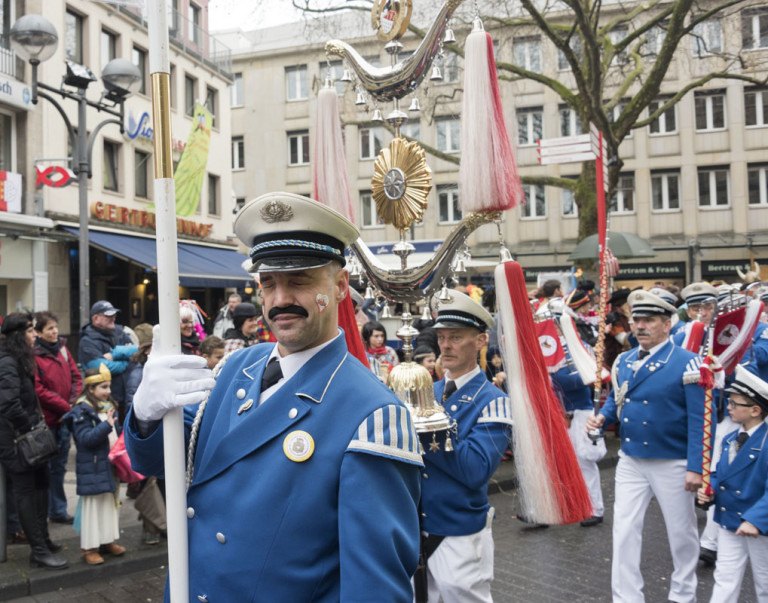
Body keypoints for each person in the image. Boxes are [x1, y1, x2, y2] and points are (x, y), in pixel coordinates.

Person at [125, 191, 422, 601]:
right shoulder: (233, 368)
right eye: (268, 283)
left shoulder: (372, 415)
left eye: (298, 280)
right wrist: (146, 412)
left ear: (339, 286)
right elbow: (158, 462)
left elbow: (374, 589)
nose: (280, 299)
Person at [586, 290, 706, 603]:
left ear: (667, 325)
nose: (640, 326)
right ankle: (626, 597)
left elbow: (700, 420)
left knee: (681, 534)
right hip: (631, 457)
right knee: (624, 531)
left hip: (673, 459)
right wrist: (602, 418)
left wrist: (697, 467)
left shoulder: (688, 362)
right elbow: (618, 397)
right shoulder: (624, 360)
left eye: (649, 320)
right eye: (637, 319)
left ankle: (683, 594)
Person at [416, 290, 512, 603]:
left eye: (456, 337)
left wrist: (427, 424)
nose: (445, 345)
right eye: (441, 337)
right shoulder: (429, 389)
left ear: (481, 340)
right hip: (417, 526)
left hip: (459, 531)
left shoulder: (494, 401)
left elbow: (474, 470)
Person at [0, 313, 68, 570]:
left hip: (27, 436)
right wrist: (28, 426)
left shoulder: (20, 359)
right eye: (30, 331)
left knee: (42, 485)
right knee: (27, 492)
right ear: (18, 335)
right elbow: (8, 403)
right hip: (16, 440)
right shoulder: (7, 361)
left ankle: (44, 541)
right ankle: (38, 551)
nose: (34, 335)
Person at [697, 366, 768, 602]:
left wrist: (755, 519)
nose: (728, 407)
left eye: (735, 404)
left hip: (759, 526)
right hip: (729, 519)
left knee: (765, 583)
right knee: (724, 578)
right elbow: (720, 473)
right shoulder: (730, 438)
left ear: (756, 410)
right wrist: (711, 489)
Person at [66, 365, 126, 565]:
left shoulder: (108, 406)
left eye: (109, 386)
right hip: (92, 466)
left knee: (109, 505)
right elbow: (85, 440)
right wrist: (106, 425)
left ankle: (107, 541)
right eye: (103, 387)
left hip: (109, 464)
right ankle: (89, 547)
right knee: (93, 508)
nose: (108, 391)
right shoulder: (81, 410)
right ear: (91, 389)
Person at [33, 311, 82, 525]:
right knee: (47, 468)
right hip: (49, 420)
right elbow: (39, 389)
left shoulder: (63, 349)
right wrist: (65, 406)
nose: (54, 332)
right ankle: (47, 511)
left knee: (60, 466)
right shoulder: (34, 355)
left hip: (65, 417)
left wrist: (72, 400)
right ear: (38, 332)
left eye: (55, 327)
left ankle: (58, 510)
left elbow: (76, 377)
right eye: (49, 328)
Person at [77, 301, 137, 416]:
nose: (113, 318)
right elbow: (101, 368)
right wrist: (125, 361)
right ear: (95, 318)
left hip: (128, 396)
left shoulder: (120, 332)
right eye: (108, 316)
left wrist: (114, 354)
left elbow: (136, 351)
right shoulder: (87, 341)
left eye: (114, 315)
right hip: (106, 401)